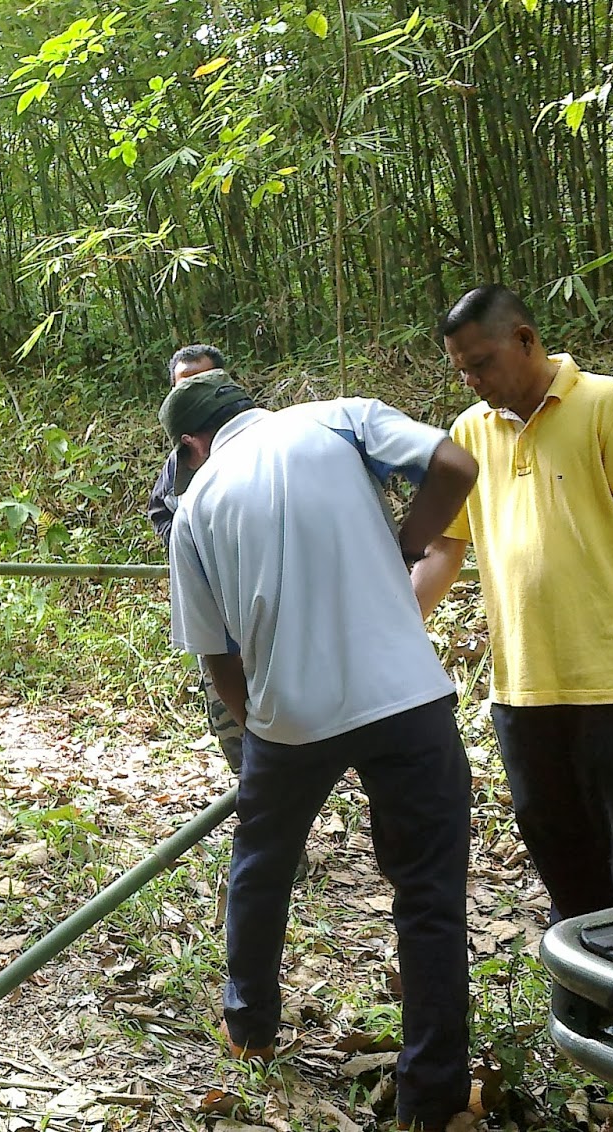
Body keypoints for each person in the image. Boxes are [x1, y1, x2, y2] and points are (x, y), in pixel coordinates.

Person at [164, 370, 479, 1131]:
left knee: (263, 869)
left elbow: (213, 656)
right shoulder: (337, 419)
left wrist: (261, 723)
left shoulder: (195, 505)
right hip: (406, 697)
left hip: (290, 716)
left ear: (190, 445)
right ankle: (431, 1097)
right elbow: (456, 466)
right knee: (429, 894)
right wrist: (404, 543)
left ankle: (250, 1031)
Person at [412, 285, 613, 922]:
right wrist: (389, 633)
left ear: (526, 339)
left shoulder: (607, 405)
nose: (472, 380)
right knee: (557, 846)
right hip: (523, 687)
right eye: (460, 369)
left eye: (482, 363)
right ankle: (593, 989)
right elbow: (442, 551)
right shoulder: (469, 432)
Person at [147, 344, 245, 771]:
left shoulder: (259, 439)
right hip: (216, 611)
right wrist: (192, 552)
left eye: (203, 382)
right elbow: (160, 512)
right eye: (184, 386)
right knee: (234, 727)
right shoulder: (178, 461)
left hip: (272, 603)